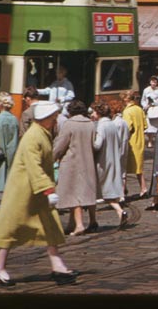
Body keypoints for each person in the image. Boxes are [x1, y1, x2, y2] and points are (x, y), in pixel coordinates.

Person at [0, 101, 78, 287]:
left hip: (35, 192)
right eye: (53, 118)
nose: (55, 121)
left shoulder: (41, 133)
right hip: (24, 192)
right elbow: (33, 166)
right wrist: (47, 188)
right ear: (45, 119)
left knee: (49, 226)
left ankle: (58, 265)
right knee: (11, 229)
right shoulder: (33, 137)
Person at [52, 99, 97, 236]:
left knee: (73, 193)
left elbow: (60, 145)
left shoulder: (69, 124)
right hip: (87, 162)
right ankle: (72, 223)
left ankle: (79, 225)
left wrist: (51, 158)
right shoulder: (90, 124)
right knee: (78, 192)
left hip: (71, 163)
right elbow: (94, 144)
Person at [92, 101, 128, 228]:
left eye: (94, 112)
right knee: (107, 190)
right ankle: (118, 213)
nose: (92, 114)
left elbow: (97, 145)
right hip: (113, 160)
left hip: (103, 161)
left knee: (102, 191)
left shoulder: (101, 126)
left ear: (99, 113)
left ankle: (119, 211)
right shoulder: (112, 125)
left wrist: (90, 140)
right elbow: (118, 142)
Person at [122, 90, 149, 197]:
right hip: (140, 141)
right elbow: (145, 125)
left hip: (131, 142)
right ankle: (143, 188)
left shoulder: (127, 112)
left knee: (123, 168)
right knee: (138, 168)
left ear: (127, 99)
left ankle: (123, 190)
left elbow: (127, 128)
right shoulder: (139, 109)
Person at [141, 75, 158, 148]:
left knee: (157, 126)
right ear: (150, 82)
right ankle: (150, 140)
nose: (153, 83)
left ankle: (157, 140)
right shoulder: (146, 90)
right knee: (149, 127)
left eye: (155, 82)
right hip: (148, 110)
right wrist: (145, 105)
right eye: (152, 82)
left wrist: (153, 103)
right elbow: (143, 100)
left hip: (156, 108)